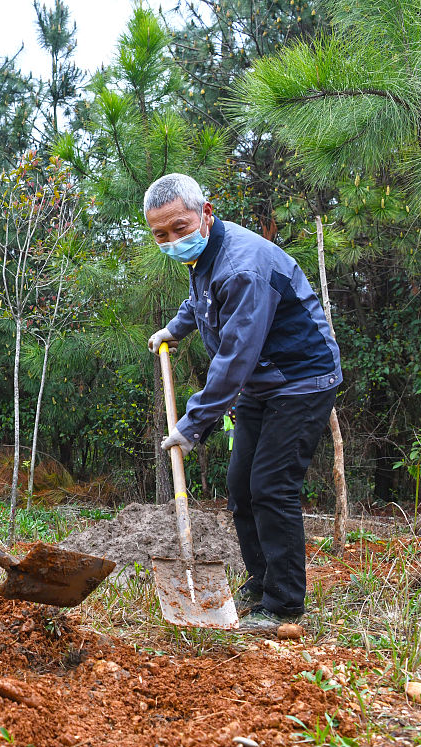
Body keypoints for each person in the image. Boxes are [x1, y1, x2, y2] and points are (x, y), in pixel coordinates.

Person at [144, 173, 341, 634]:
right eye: (161, 235)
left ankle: (285, 604)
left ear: (206, 214)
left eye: (179, 227)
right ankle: (262, 579)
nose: (172, 240)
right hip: (261, 383)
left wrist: (192, 426)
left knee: (271, 487)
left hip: (300, 381)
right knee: (241, 485)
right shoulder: (207, 257)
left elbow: (234, 359)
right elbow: (201, 301)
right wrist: (176, 327)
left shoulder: (242, 267)